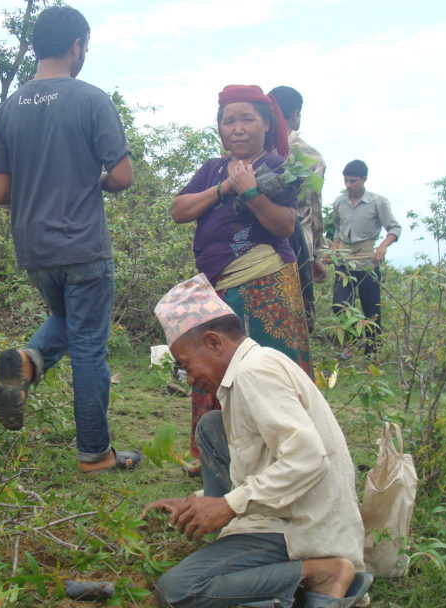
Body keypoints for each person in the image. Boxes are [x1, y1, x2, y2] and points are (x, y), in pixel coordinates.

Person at [146, 274, 370, 608]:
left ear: (214, 341)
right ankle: (235, 536)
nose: (188, 378)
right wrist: (199, 501)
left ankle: (322, 571)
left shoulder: (254, 373)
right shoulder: (251, 370)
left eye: (187, 365)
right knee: (212, 427)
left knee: (177, 593)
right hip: (281, 512)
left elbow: (307, 457)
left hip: (301, 525)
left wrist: (229, 506)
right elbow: (258, 465)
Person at [0, 5, 141, 474]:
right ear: (77, 45)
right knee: (90, 345)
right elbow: (123, 175)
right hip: (82, 244)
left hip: (34, 249)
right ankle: (95, 454)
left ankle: (29, 361)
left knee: (67, 318)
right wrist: (93, 183)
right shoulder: (91, 100)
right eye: (86, 47)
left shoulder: (8, 108)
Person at [171, 84, 311, 472]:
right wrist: (224, 187)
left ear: (266, 124)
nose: (237, 128)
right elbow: (180, 210)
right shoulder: (213, 170)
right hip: (217, 287)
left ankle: (283, 457)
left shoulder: (278, 169)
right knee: (215, 367)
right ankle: (216, 452)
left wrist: (251, 192)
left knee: (264, 373)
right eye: (228, 120)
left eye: (247, 119)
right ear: (219, 127)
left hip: (266, 283)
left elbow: (284, 226)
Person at [330, 160, 401, 356]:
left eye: (353, 181)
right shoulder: (339, 202)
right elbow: (337, 229)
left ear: (364, 179)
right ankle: (352, 343)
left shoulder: (378, 202)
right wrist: (333, 250)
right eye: (346, 181)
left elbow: (394, 228)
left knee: (372, 310)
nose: (348, 185)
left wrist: (383, 246)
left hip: (368, 262)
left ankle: (373, 353)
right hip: (345, 262)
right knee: (340, 306)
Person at [270, 85, 327, 333]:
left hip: (254, 249)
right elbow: (313, 212)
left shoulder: (250, 150)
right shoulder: (309, 157)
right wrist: (317, 256)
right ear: (295, 114)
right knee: (298, 323)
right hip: (296, 249)